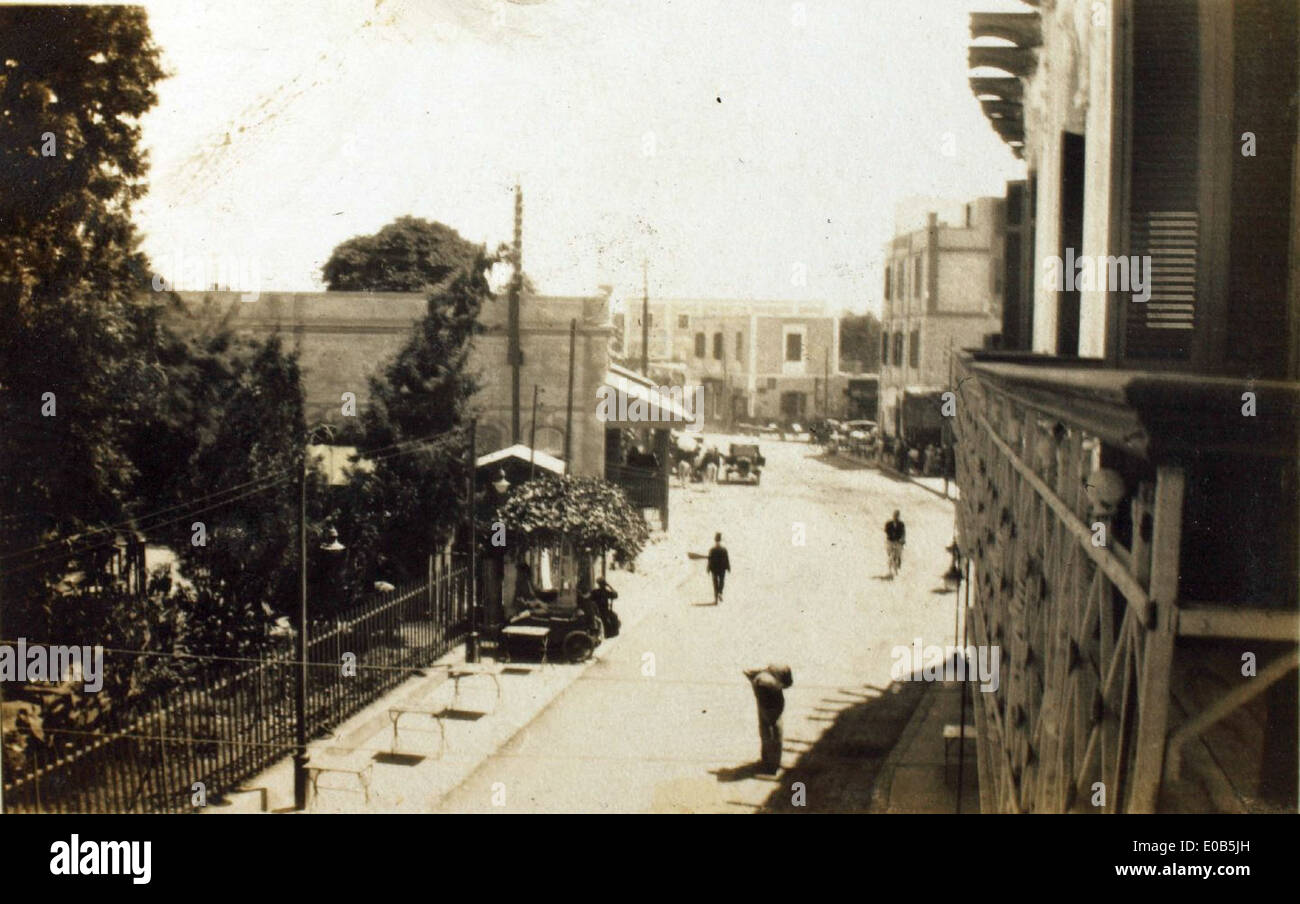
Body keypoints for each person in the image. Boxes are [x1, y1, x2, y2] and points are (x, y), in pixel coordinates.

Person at [744, 663, 793, 773]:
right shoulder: (772, 678)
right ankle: (772, 764)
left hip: (761, 680)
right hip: (767, 682)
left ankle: (769, 762)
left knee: (767, 726)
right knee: (773, 728)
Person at [707, 532, 730, 604]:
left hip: (714, 568)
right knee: (722, 581)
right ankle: (720, 592)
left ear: (715, 540)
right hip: (722, 568)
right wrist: (728, 567)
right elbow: (726, 559)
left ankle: (716, 599)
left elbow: (709, 560)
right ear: (720, 540)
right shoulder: (724, 549)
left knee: (715, 583)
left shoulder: (712, 549)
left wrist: (708, 568)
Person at [884, 510, 906, 577]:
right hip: (890, 542)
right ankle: (890, 570)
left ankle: (896, 569)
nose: (896, 517)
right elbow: (886, 531)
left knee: (897, 556)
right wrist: (891, 536)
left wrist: (902, 540)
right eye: (895, 515)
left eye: (897, 515)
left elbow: (903, 533)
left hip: (898, 542)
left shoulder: (901, 524)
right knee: (891, 556)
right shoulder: (889, 523)